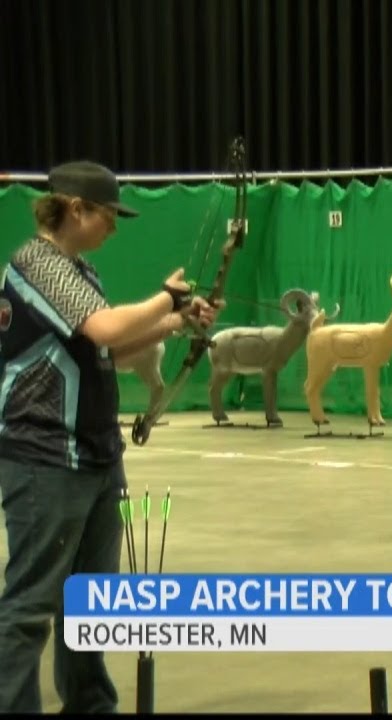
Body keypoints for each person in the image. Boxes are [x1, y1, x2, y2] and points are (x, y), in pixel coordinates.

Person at [0, 160, 221, 713]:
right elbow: (104, 327)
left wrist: (177, 322)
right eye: (107, 215)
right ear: (76, 209)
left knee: (90, 604)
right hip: (45, 456)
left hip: (95, 455)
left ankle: (91, 705)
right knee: (30, 607)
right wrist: (166, 299)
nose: (113, 228)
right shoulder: (35, 264)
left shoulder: (82, 272)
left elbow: (109, 352)